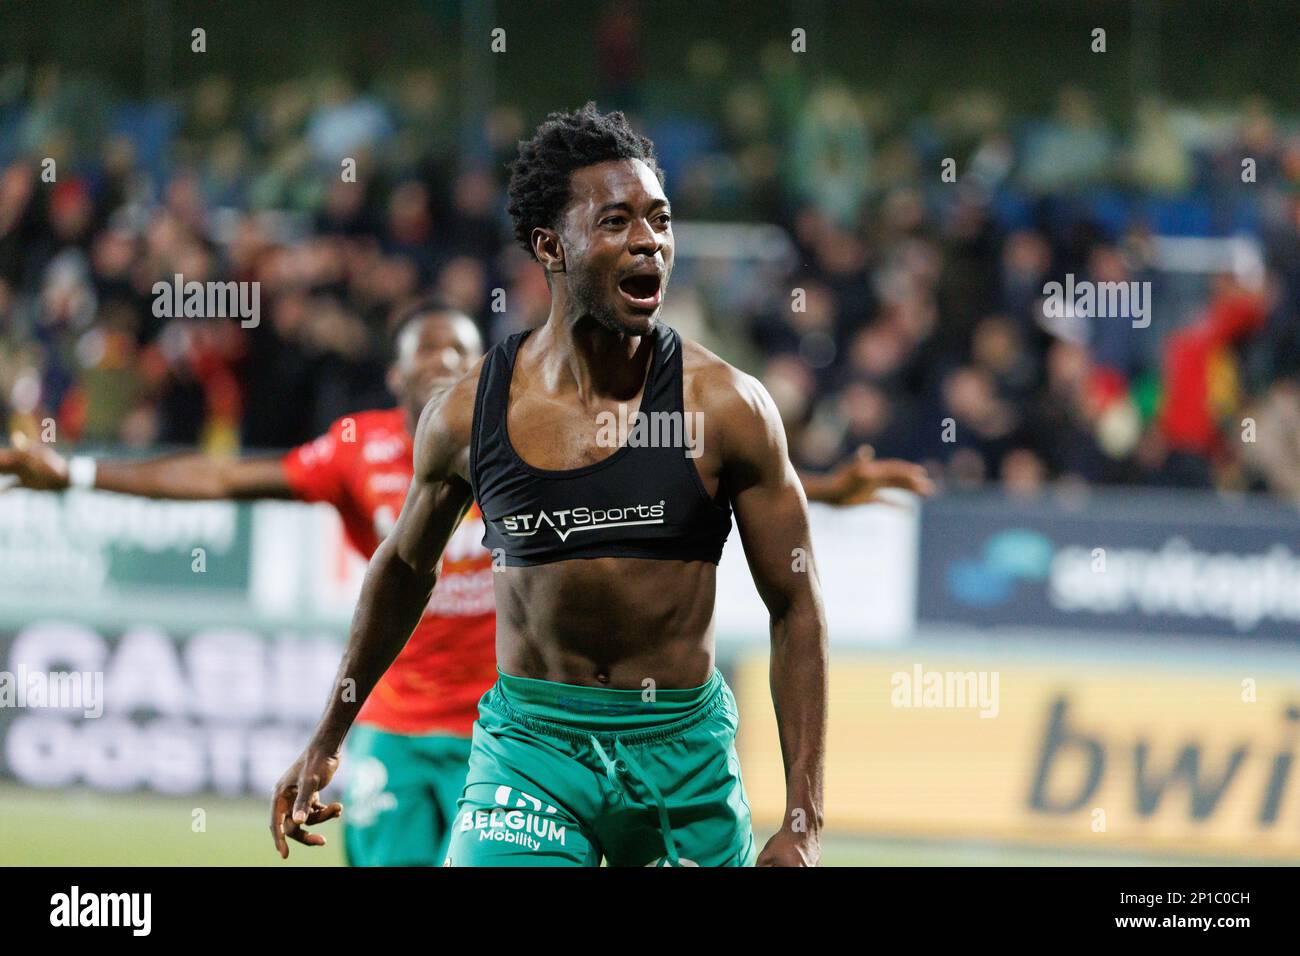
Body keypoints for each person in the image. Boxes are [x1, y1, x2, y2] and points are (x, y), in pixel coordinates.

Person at [1, 300, 931, 866]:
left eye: (458, 354)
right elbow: (224, 479)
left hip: (537, 717)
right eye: (429, 363)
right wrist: (79, 472)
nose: (447, 370)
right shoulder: (371, 449)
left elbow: (671, 497)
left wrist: (828, 494)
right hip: (417, 738)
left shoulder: (528, 425)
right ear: (400, 380)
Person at [262, 102, 866, 866]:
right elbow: (405, 568)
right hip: (531, 751)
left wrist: (805, 820)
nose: (649, 241)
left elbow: (797, 604)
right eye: (616, 222)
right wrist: (328, 738)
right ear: (551, 246)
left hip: (680, 754)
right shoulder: (466, 413)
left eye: (660, 219)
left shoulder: (729, 408)